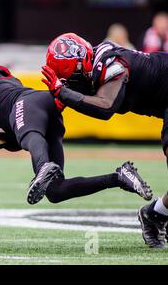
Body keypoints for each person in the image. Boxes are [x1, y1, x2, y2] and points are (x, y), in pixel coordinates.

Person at [0, 65, 152, 206]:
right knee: (55, 191)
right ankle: (119, 177)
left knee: (30, 136)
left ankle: (43, 166)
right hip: (44, 119)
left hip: (32, 103)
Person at [41, 32, 168, 248]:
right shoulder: (94, 65)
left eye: (72, 77)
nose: (71, 83)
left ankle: (155, 215)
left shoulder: (110, 62)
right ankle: (155, 215)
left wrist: (63, 92)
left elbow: (106, 106)